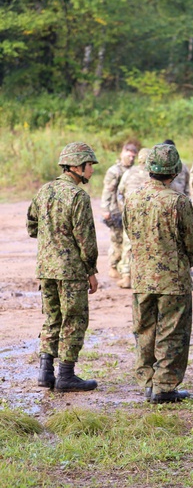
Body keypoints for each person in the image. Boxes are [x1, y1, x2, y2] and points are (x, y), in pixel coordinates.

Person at [122, 143, 193, 403]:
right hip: (172, 279)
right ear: (175, 171)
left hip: (141, 277)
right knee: (172, 333)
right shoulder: (178, 201)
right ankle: (164, 387)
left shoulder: (133, 199)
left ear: (148, 169)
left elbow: (130, 232)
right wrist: (181, 263)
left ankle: (147, 383)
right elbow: (192, 244)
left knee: (144, 330)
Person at [27, 142, 100, 392]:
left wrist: (52, 241)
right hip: (71, 271)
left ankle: (45, 373)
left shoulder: (44, 191)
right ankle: (66, 375)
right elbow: (86, 239)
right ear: (76, 167)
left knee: (52, 318)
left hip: (46, 269)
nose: (91, 170)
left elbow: (31, 226)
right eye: (89, 165)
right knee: (74, 319)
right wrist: (91, 270)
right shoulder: (78, 196)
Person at [101, 142, 138, 279]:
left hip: (129, 211)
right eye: (129, 155)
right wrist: (105, 209)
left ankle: (125, 269)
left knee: (128, 242)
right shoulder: (115, 171)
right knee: (117, 241)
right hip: (116, 210)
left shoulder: (135, 171)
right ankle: (114, 266)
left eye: (133, 156)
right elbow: (108, 191)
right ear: (123, 153)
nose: (131, 159)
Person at [116, 147, 151, 289]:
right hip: (149, 217)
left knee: (128, 245)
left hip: (131, 215)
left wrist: (124, 209)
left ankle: (126, 276)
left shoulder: (129, 173)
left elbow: (119, 193)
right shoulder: (153, 174)